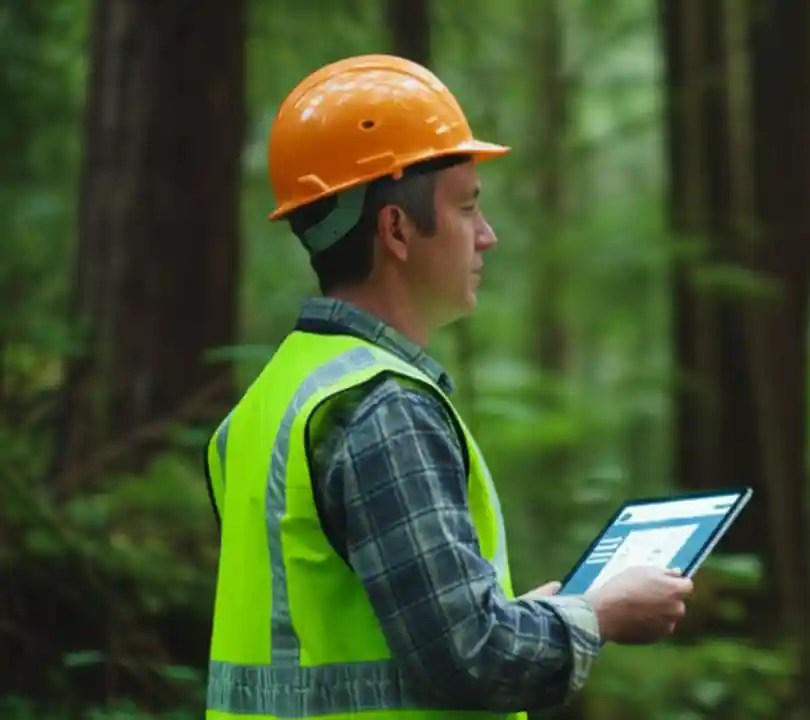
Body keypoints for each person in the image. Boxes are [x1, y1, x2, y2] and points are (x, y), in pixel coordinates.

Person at [201, 54, 694, 720]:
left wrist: (533, 617)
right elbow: (468, 658)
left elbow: (369, 631)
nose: (487, 236)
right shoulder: (382, 407)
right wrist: (599, 615)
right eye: (467, 208)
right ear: (397, 229)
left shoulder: (271, 401)